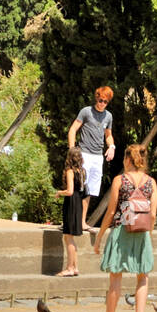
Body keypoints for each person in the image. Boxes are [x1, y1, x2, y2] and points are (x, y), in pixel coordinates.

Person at [89, 143, 157, 312]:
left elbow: (111, 211)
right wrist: (148, 234)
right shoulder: (151, 183)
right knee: (143, 277)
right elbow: (152, 214)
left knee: (115, 279)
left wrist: (100, 236)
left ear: (128, 159)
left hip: (121, 231)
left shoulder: (120, 180)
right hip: (142, 233)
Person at [67, 87, 115, 230]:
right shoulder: (86, 111)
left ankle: (81, 222)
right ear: (96, 98)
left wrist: (112, 147)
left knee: (89, 191)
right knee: (77, 188)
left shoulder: (108, 116)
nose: (102, 103)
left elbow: (108, 135)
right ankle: (69, 221)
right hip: (84, 154)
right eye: (100, 100)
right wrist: (72, 149)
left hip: (97, 157)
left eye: (105, 102)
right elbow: (73, 129)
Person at [54, 147, 88, 277]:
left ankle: (69, 268)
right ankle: (75, 267)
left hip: (71, 203)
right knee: (71, 238)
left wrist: (59, 193)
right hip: (78, 203)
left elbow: (70, 190)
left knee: (68, 237)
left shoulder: (70, 171)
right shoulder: (82, 171)